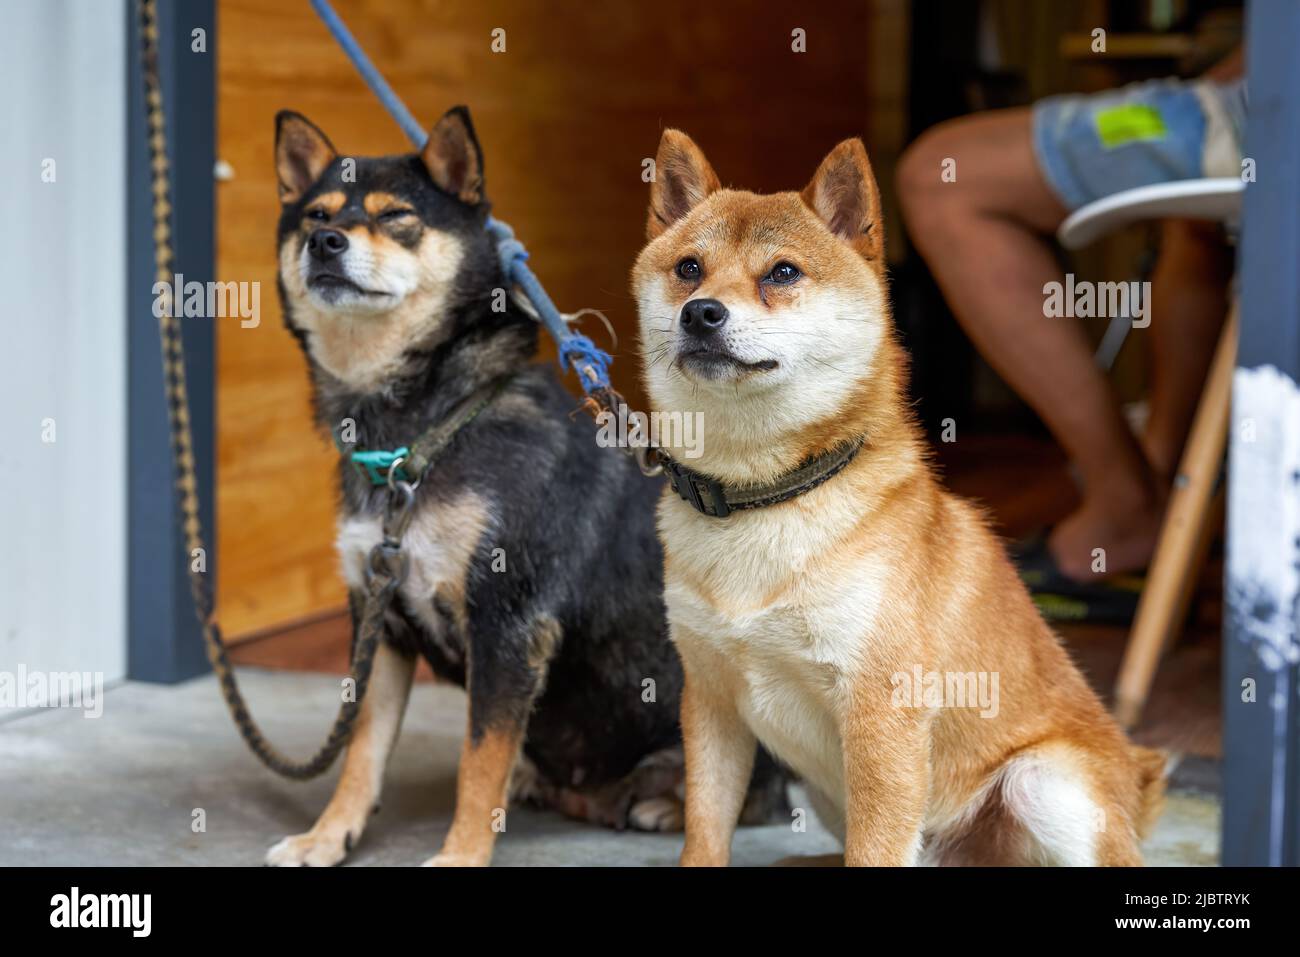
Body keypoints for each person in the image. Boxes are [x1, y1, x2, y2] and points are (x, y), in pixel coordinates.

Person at [897, 51, 1245, 619]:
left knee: (939, 174)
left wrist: (1214, 94)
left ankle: (1127, 501)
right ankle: (1165, 482)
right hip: (1257, 114)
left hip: (1260, 118)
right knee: (1201, 223)